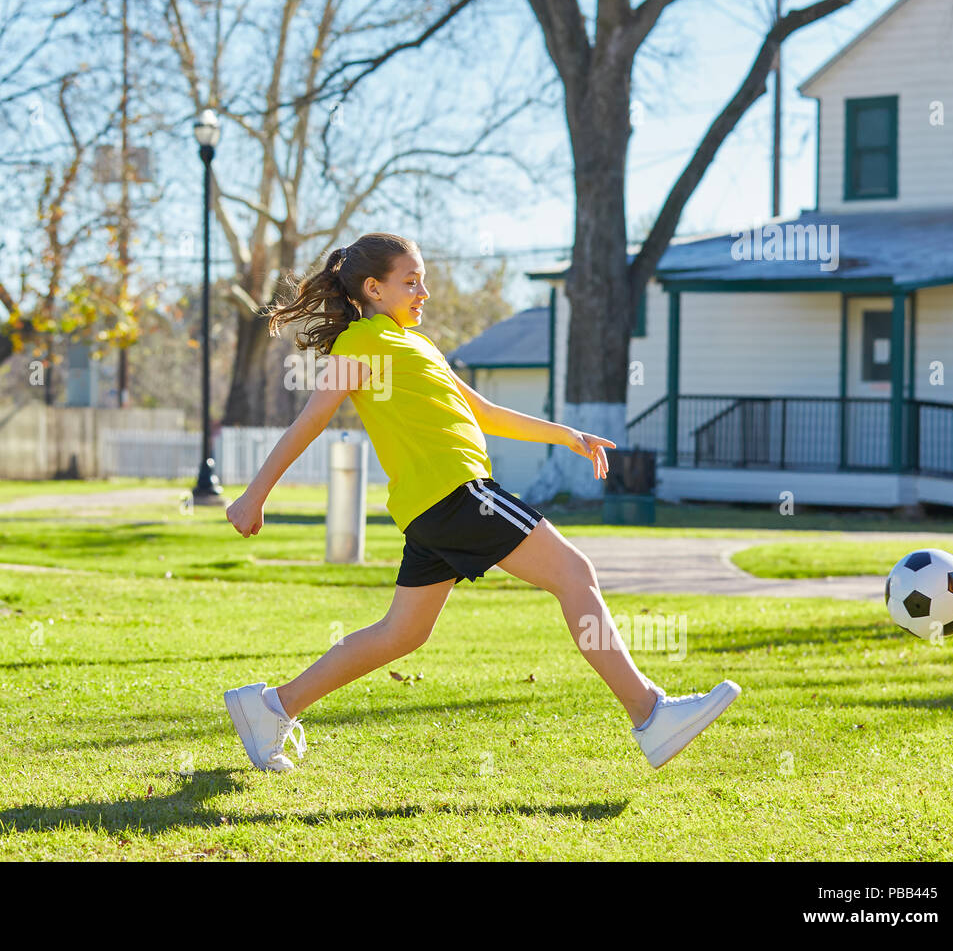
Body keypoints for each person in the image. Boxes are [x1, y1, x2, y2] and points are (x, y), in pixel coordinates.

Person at [223, 232, 740, 771]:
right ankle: (650, 713)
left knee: (402, 633)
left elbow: (483, 411)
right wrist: (254, 496)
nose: (423, 291)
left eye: (424, 279)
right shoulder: (362, 344)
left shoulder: (416, 345)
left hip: (436, 508)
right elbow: (311, 422)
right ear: (373, 288)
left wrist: (565, 434)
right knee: (573, 572)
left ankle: (270, 708)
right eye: (411, 281)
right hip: (457, 496)